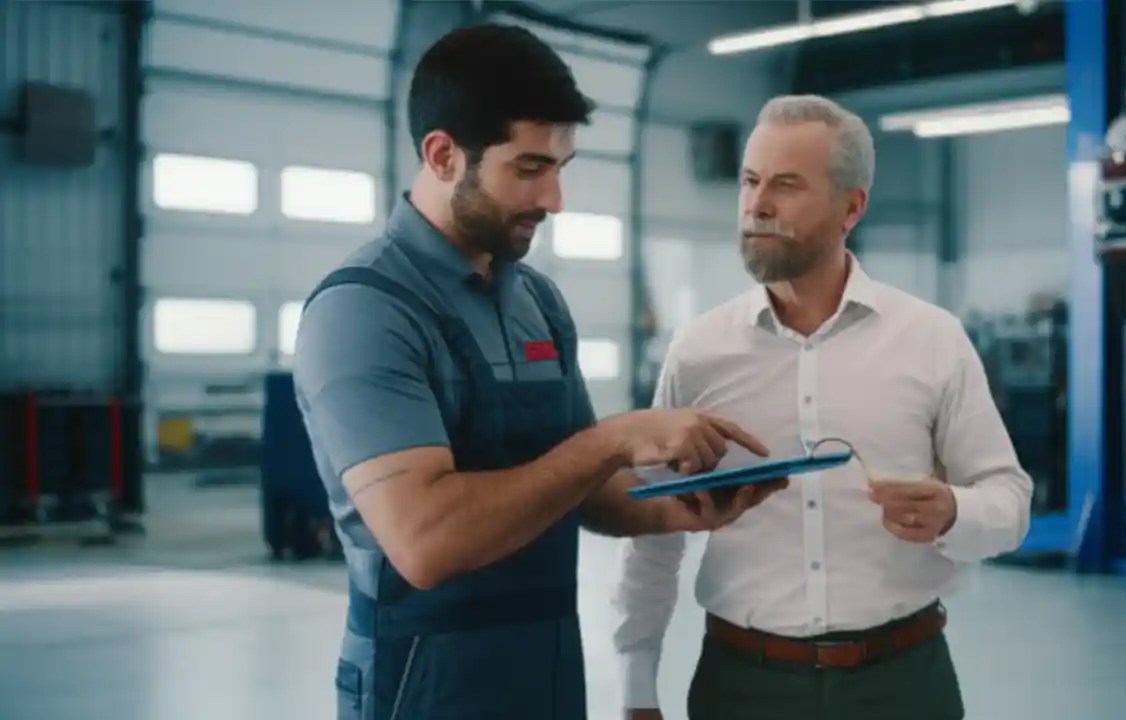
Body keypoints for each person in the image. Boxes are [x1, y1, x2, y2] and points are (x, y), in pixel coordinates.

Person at [292, 24, 783, 720]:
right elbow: (425, 542)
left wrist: (679, 504)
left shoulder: (536, 301)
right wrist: (614, 439)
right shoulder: (364, 313)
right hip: (421, 689)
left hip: (545, 677)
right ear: (442, 155)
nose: (554, 198)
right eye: (528, 168)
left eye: (561, 166)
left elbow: (586, 490)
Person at [612, 95, 1033, 720]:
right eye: (750, 182)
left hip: (903, 686)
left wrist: (953, 511)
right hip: (743, 689)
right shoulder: (698, 351)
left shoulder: (931, 338)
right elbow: (653, 533)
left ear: (851, 206)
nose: (757, 204)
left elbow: (1009, 499)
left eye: (786, 185)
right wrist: (636, 686)